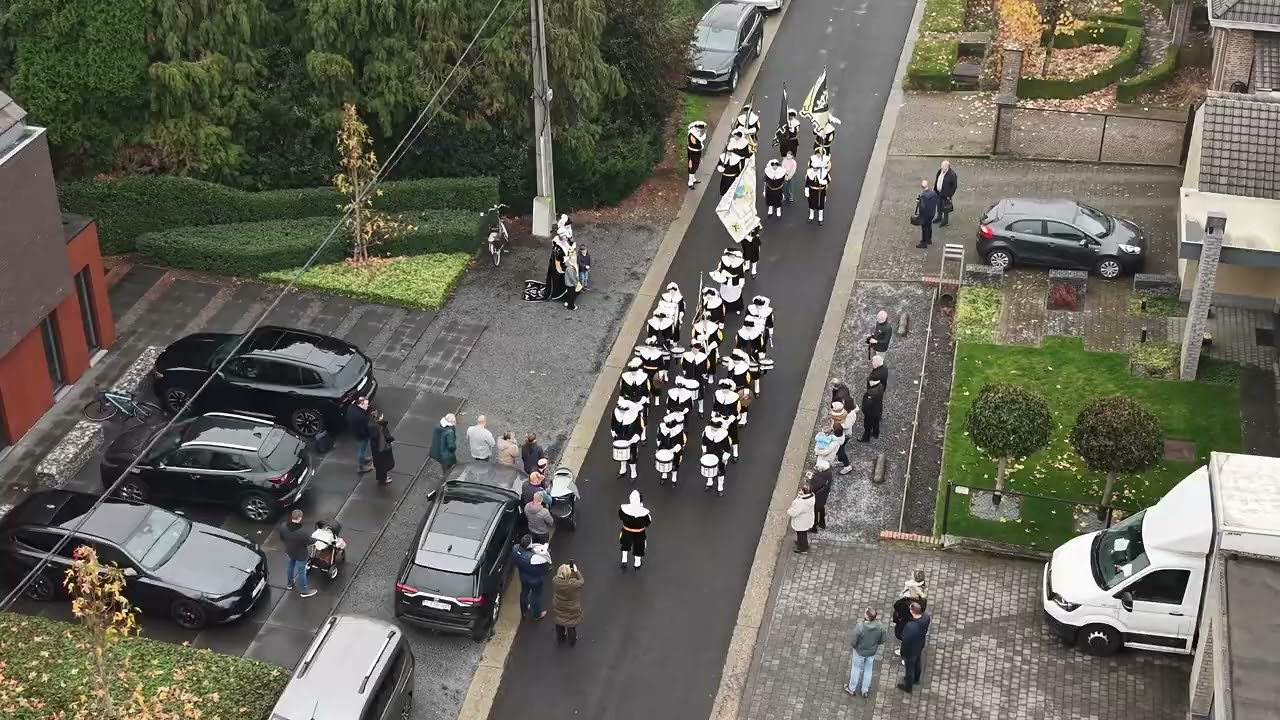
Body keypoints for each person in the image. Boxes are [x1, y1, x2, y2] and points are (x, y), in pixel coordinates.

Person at [846, 608, 887, 698]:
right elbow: (882, 640)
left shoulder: (860, 627)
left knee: (856, 668)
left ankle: (851, 688)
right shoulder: (880, 626)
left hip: (859, 652)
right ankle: (865, 690)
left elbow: (853, 642)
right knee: (868, 670)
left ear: (867, 616)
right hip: (871, 652)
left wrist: (855, 647)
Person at [278, 509, 318, 598]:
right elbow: (308, 541)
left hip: (290, 551)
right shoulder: (302, 531)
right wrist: (315, 540)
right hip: (301, 554)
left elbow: (282, 537)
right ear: (300, 518)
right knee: (302, 572)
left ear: (292, 516)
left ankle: (290, 584)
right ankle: (304, 591)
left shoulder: (283, 526)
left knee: (290, 566)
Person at [897, 601, 931, 693]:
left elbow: (905, 640)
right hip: (920, 644)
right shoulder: (926, 617)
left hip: (910, 650)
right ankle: (916, 678)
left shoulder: (910, 626)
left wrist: (903, 652)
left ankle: (908, 687)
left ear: (912, 611)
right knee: (918, 661)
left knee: (909, 668)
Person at [513, 535, 549, 620]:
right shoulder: (532, 558)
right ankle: (537, 615)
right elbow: (545, 560)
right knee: (535, 596)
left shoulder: (515, 548)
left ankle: (524, 611)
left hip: (523, 576)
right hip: (534, 580)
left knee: (524, 593)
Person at [618, 490, 652, 570]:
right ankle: (637, 563)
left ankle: (624, 560)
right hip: (639, 533)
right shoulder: (644, 514)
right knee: (639, 548)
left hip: (627, 531)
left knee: (625, 546)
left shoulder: (623, 510)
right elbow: (648, 522)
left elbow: (620, 517)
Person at [552, 562, 585, 646]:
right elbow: (581, 581)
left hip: (559, 606)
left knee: (559, 622)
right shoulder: (573, 584)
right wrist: (576, 571)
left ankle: (560, 638)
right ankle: (571, 641)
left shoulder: (555, 580)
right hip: (571, 609)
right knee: (571, 625)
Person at [610, 398, 643, 480]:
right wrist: (613, 432)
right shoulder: (616, 413)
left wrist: (634, 439)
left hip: (630, 439)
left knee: (632, 456)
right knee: (621, 454)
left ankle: (633, 472)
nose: (621, 412)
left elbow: (639, 429)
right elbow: (613, 424)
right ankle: (623, 469)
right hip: (619, 437)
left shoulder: (635, 415)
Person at [701, 415, 732, 496]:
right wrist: (704, 452)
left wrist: (725, 458)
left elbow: (727, 447)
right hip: (709, 453)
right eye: (712, 426)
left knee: (720, 471)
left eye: (715, 427)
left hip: (719, 455)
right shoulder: (707, 431)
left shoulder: (723, 434)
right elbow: (704, 442)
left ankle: (720, 487)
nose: (713, 428)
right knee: (709, 468)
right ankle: (709, 483)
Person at [655, 411, 686, 486]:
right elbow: (658, 438)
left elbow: (680, 443)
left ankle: (674, 477)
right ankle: (664, 474)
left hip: (674, 450)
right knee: (663, 462)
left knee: (675, 464)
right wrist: (660, 448)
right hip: (663, 448)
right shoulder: (661, 428)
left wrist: (672, 450)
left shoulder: (678, 430)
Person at [716, 131, 748, 196]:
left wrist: (738, 175)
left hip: (732, 177)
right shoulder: (723, 156)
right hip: (724, 176)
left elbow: (740, 165)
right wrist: (720, 167)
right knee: (723, 191)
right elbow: (720, 163)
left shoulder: (737, 159)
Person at [368, 409, 395, 485]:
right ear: (379, 418)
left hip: (375, 449)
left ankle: (381, 477)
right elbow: (383, 441)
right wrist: (389, 440)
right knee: (383, 465)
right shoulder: (380, 429)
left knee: (379, 465)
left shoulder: (372, 426)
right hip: (381, 451)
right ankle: (384, 479)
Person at [786, 484, 816, 553]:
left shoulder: (802, 503)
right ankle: (802, 544)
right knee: (803, 534)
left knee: (801, 534)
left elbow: (794, 512)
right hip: (806, 520)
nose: (800, 491)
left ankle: (802, 548)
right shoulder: (810, 498)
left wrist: (789, 511)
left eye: (802, 490)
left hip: (801, 522)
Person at [346, 397, 372, 473]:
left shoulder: (351, 407)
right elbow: (363, 430)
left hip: (354, 431)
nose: (367, 406)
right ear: (361, 403)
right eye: (366, 404)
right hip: (361, 436)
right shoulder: (361, 416)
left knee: (362, 449)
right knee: (362, 450)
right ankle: (361, 467)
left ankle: (363, 459)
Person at [804, 151, 831, 226]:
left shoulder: (823, 172)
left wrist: (824, 182)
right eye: (814, 168)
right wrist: (806, 189)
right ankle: (811, 216)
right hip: (812, 190)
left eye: (817, 168)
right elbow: (807, 181)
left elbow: (828, 180)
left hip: (821, 191)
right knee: (811, 203)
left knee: (820, 204)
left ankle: (820, 218)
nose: (815, 169)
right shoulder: (809, 172)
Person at [860, 373, 885, 443]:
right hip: (877, 408)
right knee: (876, 422)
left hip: (870, 412)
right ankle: (875, 433)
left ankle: (866, 438)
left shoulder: (870, 393)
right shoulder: (880, 386)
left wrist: (865, 411)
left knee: (867, 426)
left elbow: (866, 405)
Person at [808, 461, 833, 531]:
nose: (816, 468)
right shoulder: (828, 473)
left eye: (817, 467)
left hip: (817, 498)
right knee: (821, 509)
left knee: (815, 513)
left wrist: (810, 479)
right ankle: (822, 524)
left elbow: (813, 488)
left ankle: (814, 527)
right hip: (824, 496)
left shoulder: (820, 479)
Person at [933, 160, 958, 226]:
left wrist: (949, 195)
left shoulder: (952, 175)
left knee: (946, 208)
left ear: (947, 167)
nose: (941, 167)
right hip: (938, 193)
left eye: (943, 166)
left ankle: (945, 221)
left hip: (946, 195)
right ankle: (939, 217)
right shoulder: (940, 171)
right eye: (941, 166)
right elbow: (937, 180)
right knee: (939, 206)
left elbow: (954, 186)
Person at [916, 179, 938, 249]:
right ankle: (929, 240)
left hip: (925, 215)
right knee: (929, 226)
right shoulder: (933, 193)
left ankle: (924, 243)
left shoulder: (923, 196)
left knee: (924, 228)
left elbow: (922, 207)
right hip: (932, 213)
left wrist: (918, 202)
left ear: (921, 186)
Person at [687, 120, 707, 189]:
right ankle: (690, 182)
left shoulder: (697, 132)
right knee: (692, 166)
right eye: (700, 128)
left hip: (697, 152)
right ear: (696, 127)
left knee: (696, 165)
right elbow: (694, 144)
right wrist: (701, 145)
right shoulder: (691, 134)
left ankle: (693, 179)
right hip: (692, 152)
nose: (700, 130)